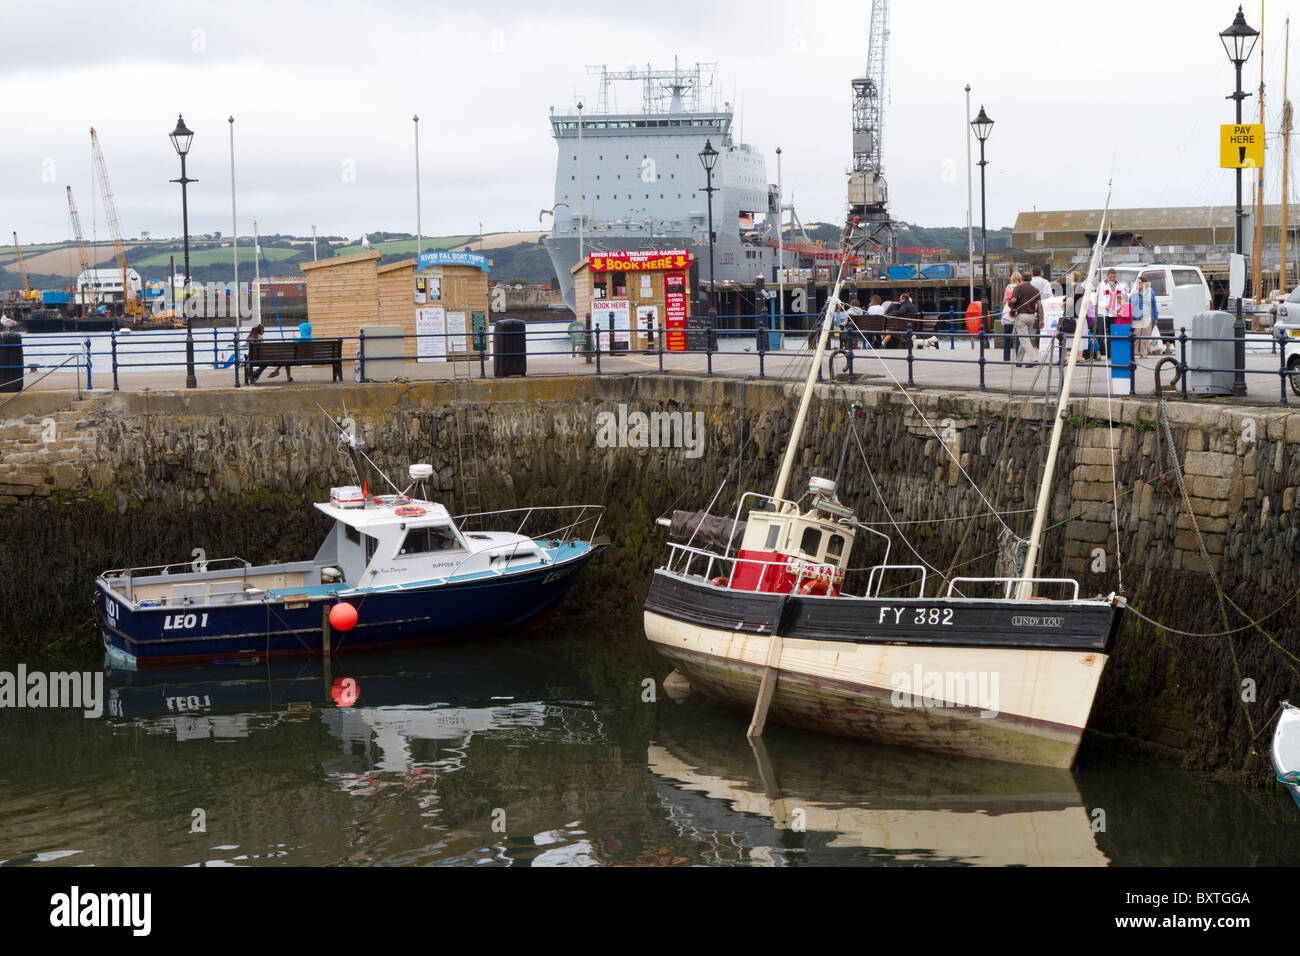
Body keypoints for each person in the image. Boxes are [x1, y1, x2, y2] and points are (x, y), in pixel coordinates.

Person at [1007, 273, 1043, 366]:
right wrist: (1041, 319)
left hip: (1021, 316)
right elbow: (1040, 306)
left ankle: (1033, 359)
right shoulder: (1035, 290)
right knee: (1026, 338)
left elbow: (1014, 300)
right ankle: (1018, 361)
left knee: (1024, 338)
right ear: (1031, 279)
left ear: (1022, 279)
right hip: (1032, 316)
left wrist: (1009, 303)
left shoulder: (1018, 288)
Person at [1096, 268, 1124, 357]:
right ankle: (1100, 351)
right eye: (1111, 277)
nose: (1112, 278)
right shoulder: (1101, 286)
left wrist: (1119, 309)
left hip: (1114, 314)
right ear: (1107, 276)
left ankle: (1110, 354)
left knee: (1113, 334)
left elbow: (1122, 299)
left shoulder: (1120, 286)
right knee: (1100, 334)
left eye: (1114, 277)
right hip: (1103, 313)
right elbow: (1098, 300)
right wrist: (1105, 306)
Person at [1129, 277, 1158, 358]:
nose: (1138, 284)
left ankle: (1143, 352)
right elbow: (1130, 304)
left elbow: (1154, 305)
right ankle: (1135, 352)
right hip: (1137, 317)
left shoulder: (1151, 292)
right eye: (1137, 282)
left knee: (1146, 335)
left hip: (1148, 316)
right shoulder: (1134, 293)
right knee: (1137, 334)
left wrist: (1155, 317)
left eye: (1140, 282)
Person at [1002, 272, 1022, 361]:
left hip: (1008, 312)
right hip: (1018, 312)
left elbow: (1004, 301)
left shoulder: (1008, 287)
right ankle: (1018, 357)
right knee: (1018, 335)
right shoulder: (1021, 287)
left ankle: (1006, 357)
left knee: (1007, 335)